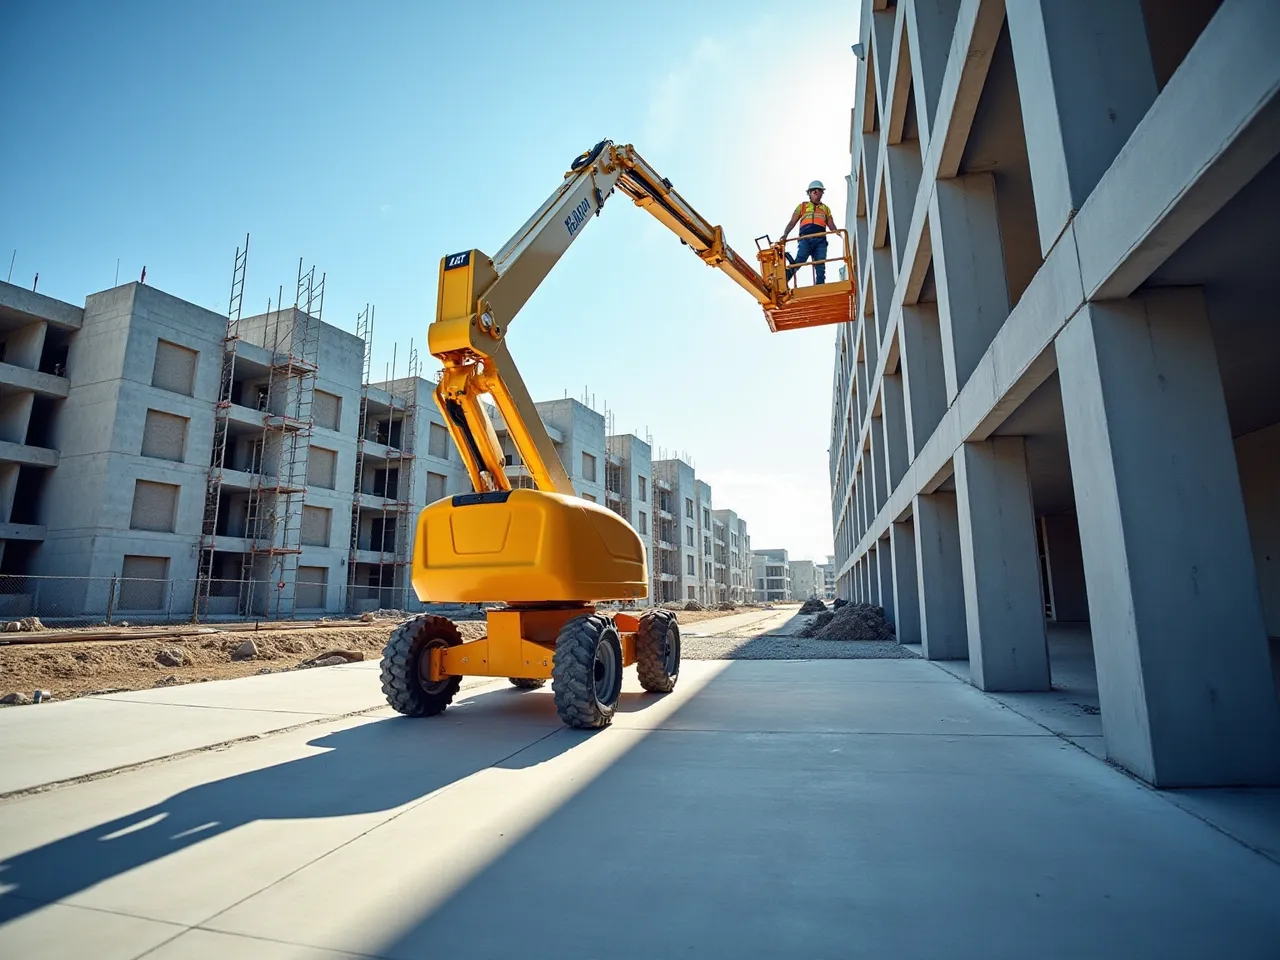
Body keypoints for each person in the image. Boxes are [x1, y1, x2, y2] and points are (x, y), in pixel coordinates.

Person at [781, 180, 839, 285]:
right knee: (799, 261)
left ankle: (820, 286)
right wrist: (785, 234)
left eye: (819, 191)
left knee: (820, 265)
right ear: (809, 193)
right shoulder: (802, 206)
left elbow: (831, 225)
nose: (817, 193)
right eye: (814, 191)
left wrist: (838, 232)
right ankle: (783, 281)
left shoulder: (826, 209)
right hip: (805, 239)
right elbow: (792, 222)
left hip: (820, 240)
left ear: (822, 193)